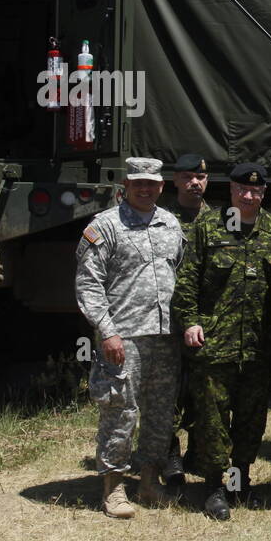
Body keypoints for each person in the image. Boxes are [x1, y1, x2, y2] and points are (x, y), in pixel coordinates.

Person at [75, 157, 184, 519]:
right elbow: (89, 284)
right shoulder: (105, 226)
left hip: (164, 337)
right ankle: (114, 488)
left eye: (151, 183)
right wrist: (107, 331)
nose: (145, 189)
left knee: (160, 414)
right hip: (124, 338)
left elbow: (181, 274)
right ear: (126, 185)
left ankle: (149, 481)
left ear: (161, 187)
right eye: (138, 183)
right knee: (120, 411)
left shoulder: (170, 223)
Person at [171, 162, 271, 521]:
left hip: (258, 345)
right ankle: (214, 487)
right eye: (241, 189)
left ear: (263, 193)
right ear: (231, 190)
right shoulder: (208, 226)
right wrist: (190, 321)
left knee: (251, 419)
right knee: (212, 419)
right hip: (215, 343)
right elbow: (187, 280)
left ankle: (239, 480)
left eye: (255, 190)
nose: (248, 196)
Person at [160, 152, 211, 490]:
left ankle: (197, 452)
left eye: (200, 177)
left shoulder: (218, 220)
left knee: (202, 389)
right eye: (188, 177)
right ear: (175, 181)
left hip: (204, 320)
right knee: (169, 391)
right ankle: (170, 457)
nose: (195, 183)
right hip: (168, 319)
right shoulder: (161, 219)